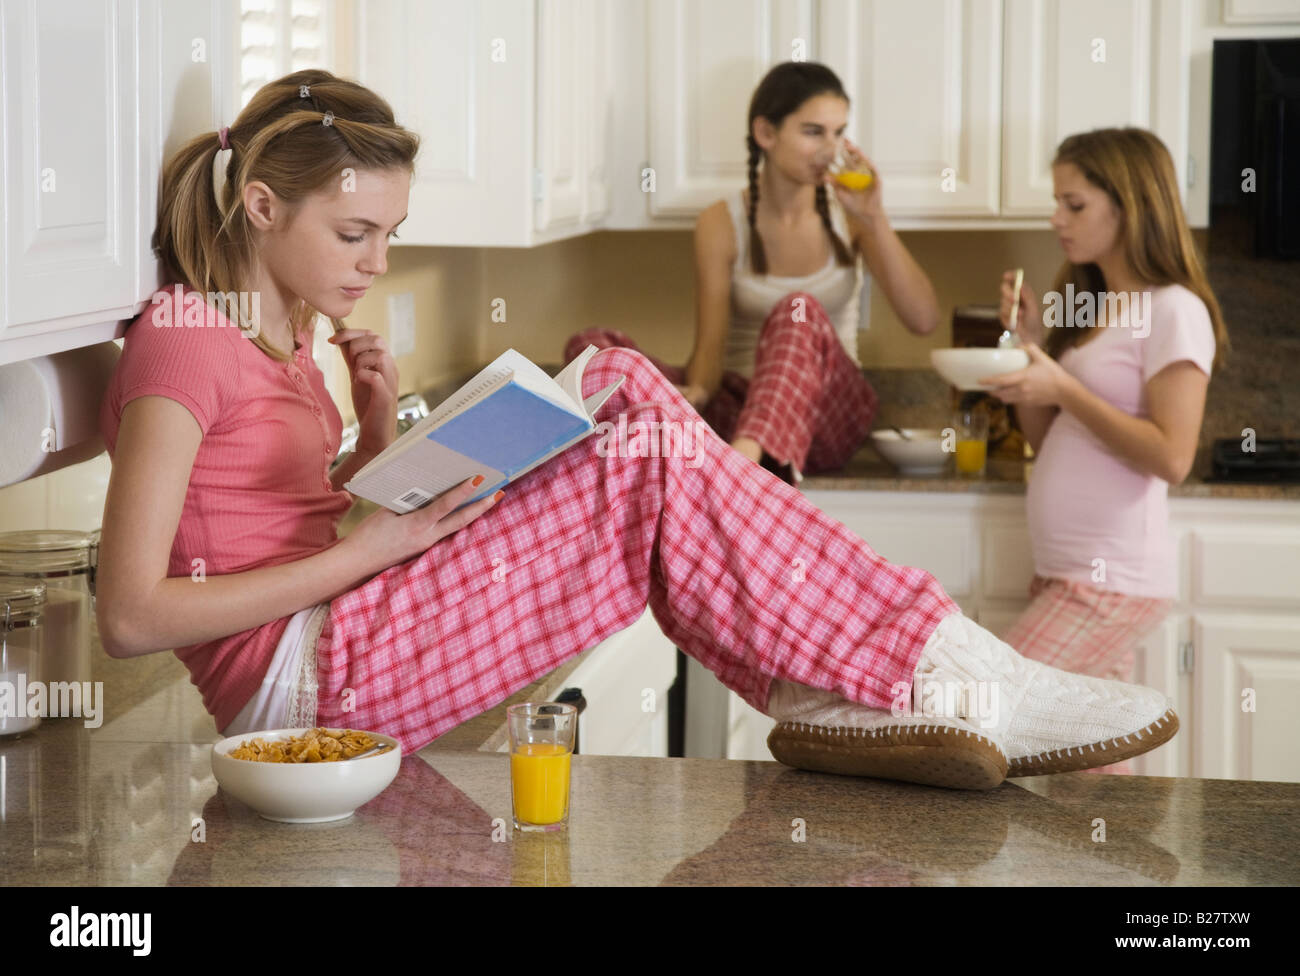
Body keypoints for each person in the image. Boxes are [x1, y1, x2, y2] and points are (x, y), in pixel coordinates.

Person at [95, 70, 1178, 792]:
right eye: (355, 232)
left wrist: (373, 436)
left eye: (391, 234)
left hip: (342, 623)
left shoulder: (282, 340)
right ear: (262, 210)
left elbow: (266, 520)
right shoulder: (184, 337)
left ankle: (872, 684)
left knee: (621, 394)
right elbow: (133, 613)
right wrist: (368, 545)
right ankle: (917, 674)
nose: (376, 260)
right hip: (302, 686)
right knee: (622, 399)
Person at [563, 61, 940, 485]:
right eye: (814, 132)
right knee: (595, 351)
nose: (831, 149)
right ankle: (658, 461)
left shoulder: (850, 215)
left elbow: (923, 320)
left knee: (797, 309)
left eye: (839, 132)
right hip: (742, 410)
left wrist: (874, 217)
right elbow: (709, 349)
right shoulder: (721, 223)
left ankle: (740, 479)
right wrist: (697, 392)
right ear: (766, 134)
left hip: (830, 418)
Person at [981, 127, 1227, 774]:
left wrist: (1063, 384)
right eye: (1057, 202)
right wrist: (1033, 346)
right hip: (1068, 573)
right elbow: (1047, 439)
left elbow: (1173, 456)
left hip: (1111, 584)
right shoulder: (1097, 312)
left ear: (1129, 206)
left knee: (985, 712)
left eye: (1075, 204)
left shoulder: (1176, 311)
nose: (1057, 218)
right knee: (1085, 774)